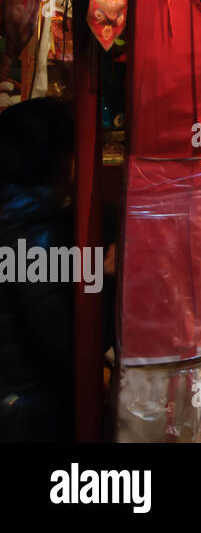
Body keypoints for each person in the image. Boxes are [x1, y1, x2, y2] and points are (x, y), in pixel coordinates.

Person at [0, 97, 75, 442]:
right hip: (28, 418)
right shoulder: (31, 230)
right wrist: (103, 278)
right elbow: (64, 344)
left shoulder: (15, 213)